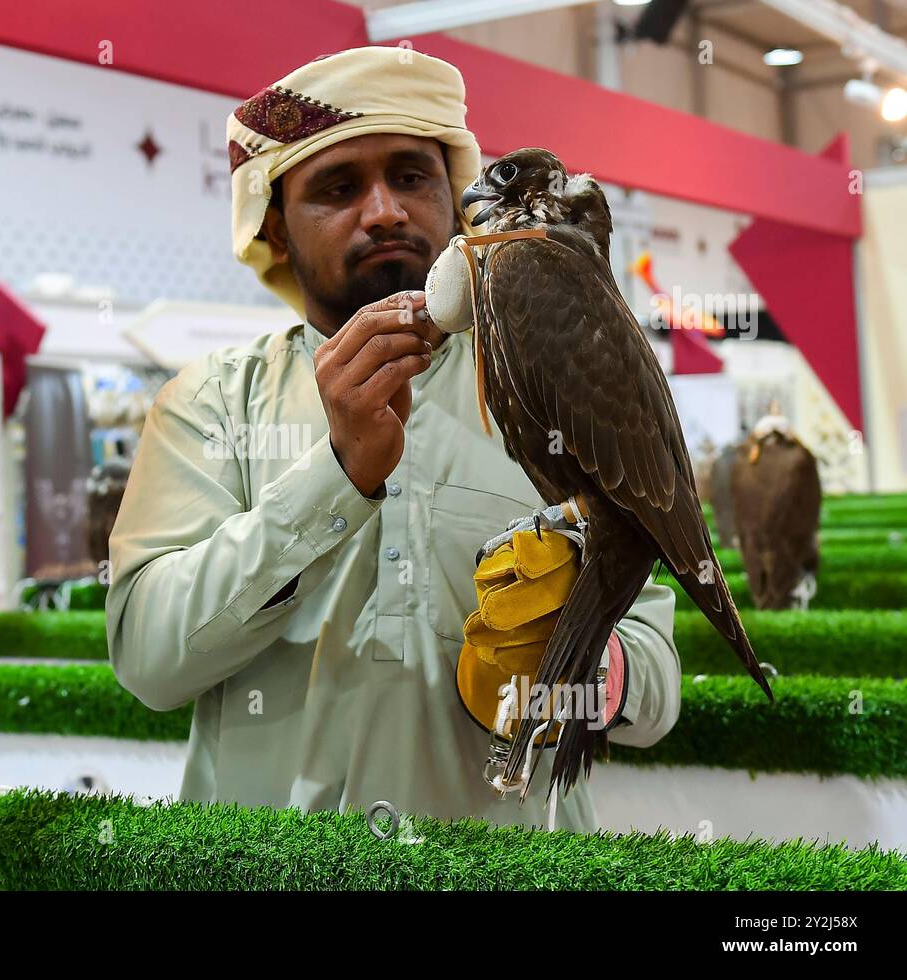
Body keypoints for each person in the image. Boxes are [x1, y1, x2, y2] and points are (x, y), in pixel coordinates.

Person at [105, 46, 680, 830]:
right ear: (274, 224)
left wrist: (589, 670)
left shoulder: (556, 385)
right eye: (338, 189)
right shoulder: (211, 403)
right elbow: (149, 661)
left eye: (411, 177)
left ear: (457, 197)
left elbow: (655, 679)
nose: (384, 211)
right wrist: (336, 477)